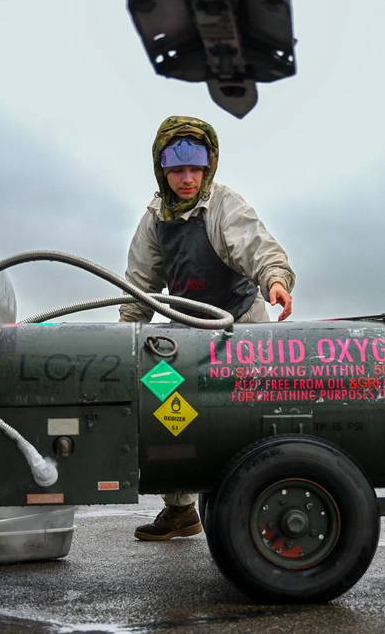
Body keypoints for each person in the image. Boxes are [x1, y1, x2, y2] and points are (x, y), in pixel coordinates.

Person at [121, 115, 295, 541]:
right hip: (186, 331)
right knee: (166, 407)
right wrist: (126, 337)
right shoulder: (154, 219)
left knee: (251, 417)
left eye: (195, 169)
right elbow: (140, 285)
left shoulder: (223, 204)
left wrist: (274, 277)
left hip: (241, 325)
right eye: (177, 170)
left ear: (208, 167)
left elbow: (256, 245)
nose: (187, 179)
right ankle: (180, 509)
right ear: (162, 170)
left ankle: (263, 501)